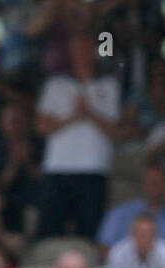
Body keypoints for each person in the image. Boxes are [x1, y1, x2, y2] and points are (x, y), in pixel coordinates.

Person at [35, 32, 121, 239]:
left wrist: (90, 113)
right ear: (70, 52)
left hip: (94, 169)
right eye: (77, 47)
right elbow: (41, 126)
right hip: (58, 168)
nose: (82, 52)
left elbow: (115, 131)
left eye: (86, 46)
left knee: (90, 233)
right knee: (50, 232)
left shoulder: (109, 86)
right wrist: (73, 116)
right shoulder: (55, 85)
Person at [96, 165, 165, 262]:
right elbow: (103, 246)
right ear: (143, 185)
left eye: (159, 183)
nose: (155, 187)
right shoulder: (119, 213)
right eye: (151, 182)